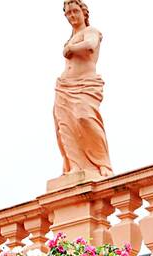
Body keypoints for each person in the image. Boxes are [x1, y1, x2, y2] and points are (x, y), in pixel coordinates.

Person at [53, 0, 112, 179]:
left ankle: (103, 163)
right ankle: (75, 166)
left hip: (85, 85)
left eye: (75, 11)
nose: (72, 16)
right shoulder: (70, 37)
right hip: (64, 86)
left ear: (83, 12)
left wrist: (71, 48)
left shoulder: (91, 32)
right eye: (68, 13)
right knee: (65, 126)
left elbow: (90, 45)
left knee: (85, 118)